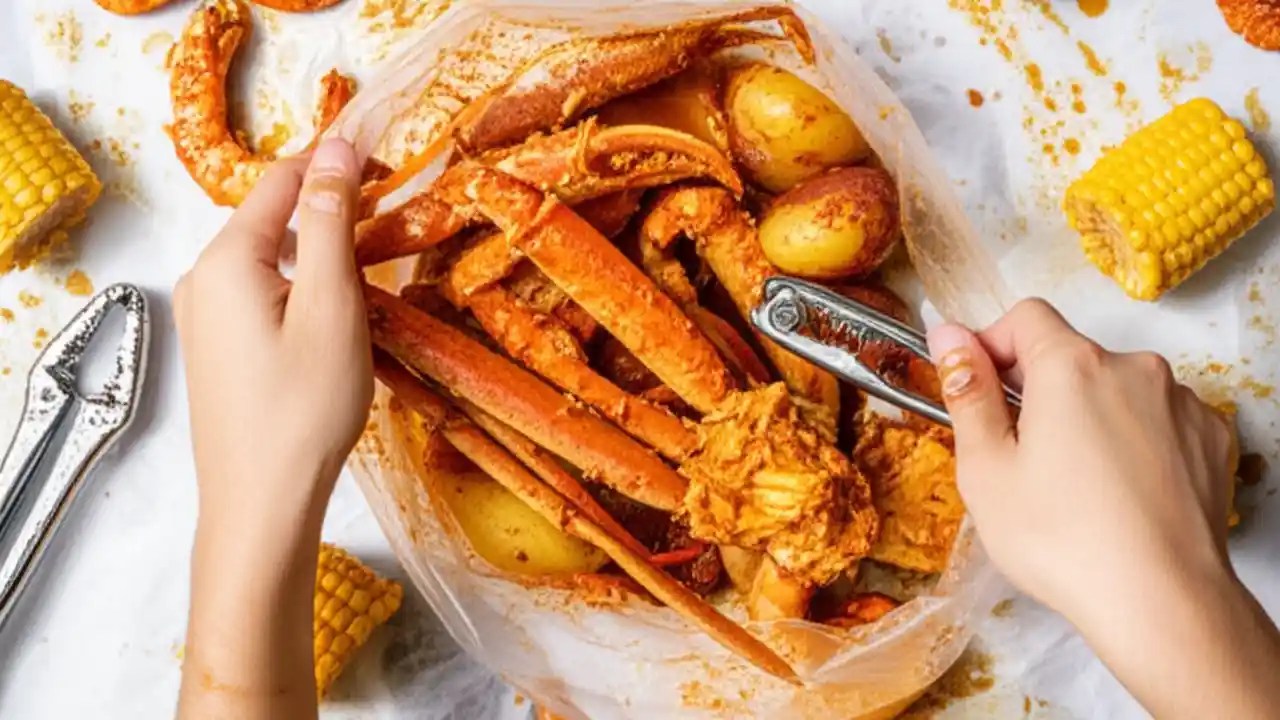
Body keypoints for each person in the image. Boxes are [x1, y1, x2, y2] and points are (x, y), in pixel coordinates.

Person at [173, 140, 1280, 719]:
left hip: (724, 448)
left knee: (565, 222)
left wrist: (251, 509)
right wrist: (1172, 601)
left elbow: (684, 214)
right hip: (713, 451)